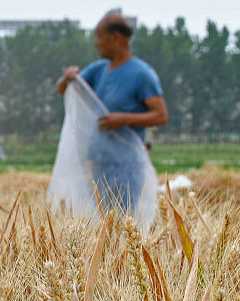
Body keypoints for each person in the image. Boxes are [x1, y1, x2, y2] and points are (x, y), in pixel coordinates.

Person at [56, 14, 168, 213]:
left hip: (127, 165)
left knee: (124, 220)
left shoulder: (141, 74)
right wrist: (67, 78)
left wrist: (123, 119)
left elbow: (160, 115)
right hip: (99, 163)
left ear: (115, 38)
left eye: (100, 37)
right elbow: (64, 89)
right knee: (102, 223)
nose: (96, 43)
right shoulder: (98, 71)